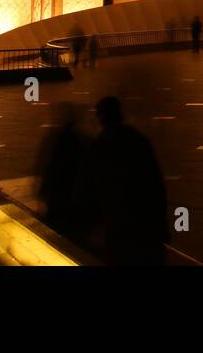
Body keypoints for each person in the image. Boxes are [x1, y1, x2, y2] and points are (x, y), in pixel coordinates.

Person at [76, 96, 169, 266]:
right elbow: (154, 183)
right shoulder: (138, 139)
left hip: (117, 223)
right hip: (143, 222)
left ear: (102, 117)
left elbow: (91, 186)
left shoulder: (100, 145)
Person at [35, 101, 88, 241]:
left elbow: (45, 164)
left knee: (55, 227)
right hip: (71, 195)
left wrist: (41, 189)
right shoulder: (82, 139)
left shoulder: (53, 137)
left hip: (56, 193)